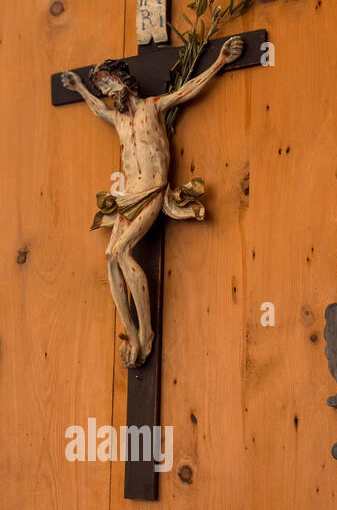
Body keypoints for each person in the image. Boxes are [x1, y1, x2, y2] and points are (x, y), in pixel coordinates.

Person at [61, 35, 244, 367]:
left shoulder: (152, 107)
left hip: (153, 190)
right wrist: (80, 89)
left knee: (121, 251)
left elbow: (186, 90)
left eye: (108, 82)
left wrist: (220, 61)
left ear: (122, 79)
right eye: (103, 87)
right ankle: (130, 332)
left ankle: (145, 332)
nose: (108, 91)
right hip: (128, 195)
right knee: (110, 256)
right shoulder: (118, 119)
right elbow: (97, 109)